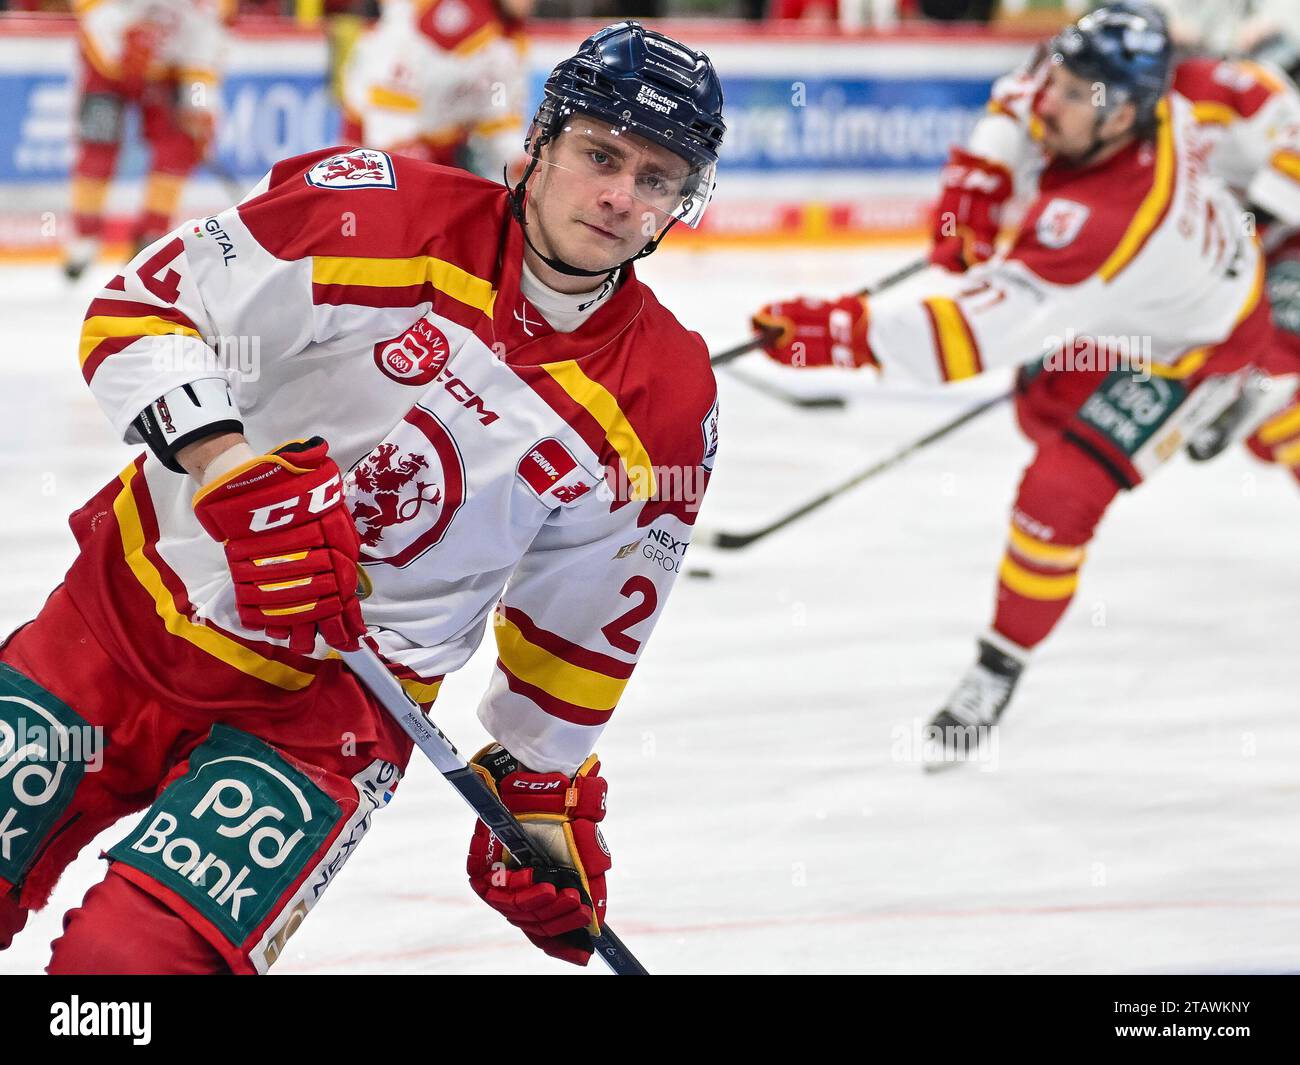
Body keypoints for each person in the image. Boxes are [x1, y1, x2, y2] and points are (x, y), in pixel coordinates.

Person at [0, 21, 724, 972]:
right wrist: (228, 465)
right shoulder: (379, 214)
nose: (620, 196)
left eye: (657, 179)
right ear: (540, 142)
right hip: (123, 615)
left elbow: (582, 626)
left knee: (129, 969)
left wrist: (539, 784)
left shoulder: (664, 396)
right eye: (601, 154)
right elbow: (144, 307)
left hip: (330, 713)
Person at [750, 4, 1296, 764]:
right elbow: (1026, 88)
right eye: (1065, 82)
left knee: (1057, 495)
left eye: (1076, 95)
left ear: (1124, 113)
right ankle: (1257, 407)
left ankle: (999, 662)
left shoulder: (1105, 220)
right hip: (1146, 306)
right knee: (1038, 407)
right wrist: (982, 172)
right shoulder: (1151, 103)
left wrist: (844, 332)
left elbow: (971, 334)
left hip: (1196, 348)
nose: (1052, 101)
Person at [64, 0, 227, 280]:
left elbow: (204, 45)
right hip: (107, 66)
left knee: (178, 147)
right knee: (98, 143)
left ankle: (152, 233)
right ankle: (85, 236)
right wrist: (117, 51)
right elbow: (91, 8)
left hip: (168, 72)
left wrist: (199, 102)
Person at [339, 0, 533, 183]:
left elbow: (498, 116)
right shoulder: (456, 18)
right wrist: (397, 145)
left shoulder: (511, 38)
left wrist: (519, 163)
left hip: (440, 145)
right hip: (381, 128)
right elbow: (396, 66)